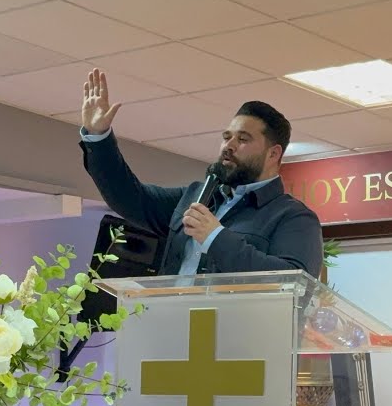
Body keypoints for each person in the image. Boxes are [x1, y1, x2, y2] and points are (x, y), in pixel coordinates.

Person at [78, 68, 323, 278]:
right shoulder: (194, 198)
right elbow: (129, 198)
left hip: (234, 333)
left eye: (243, 139)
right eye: (226, 137)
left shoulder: (293, 218)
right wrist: (99, 138)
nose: (229, 146)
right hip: (170, 326)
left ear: (273, 154)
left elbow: (292, 283)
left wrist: (216, 237)